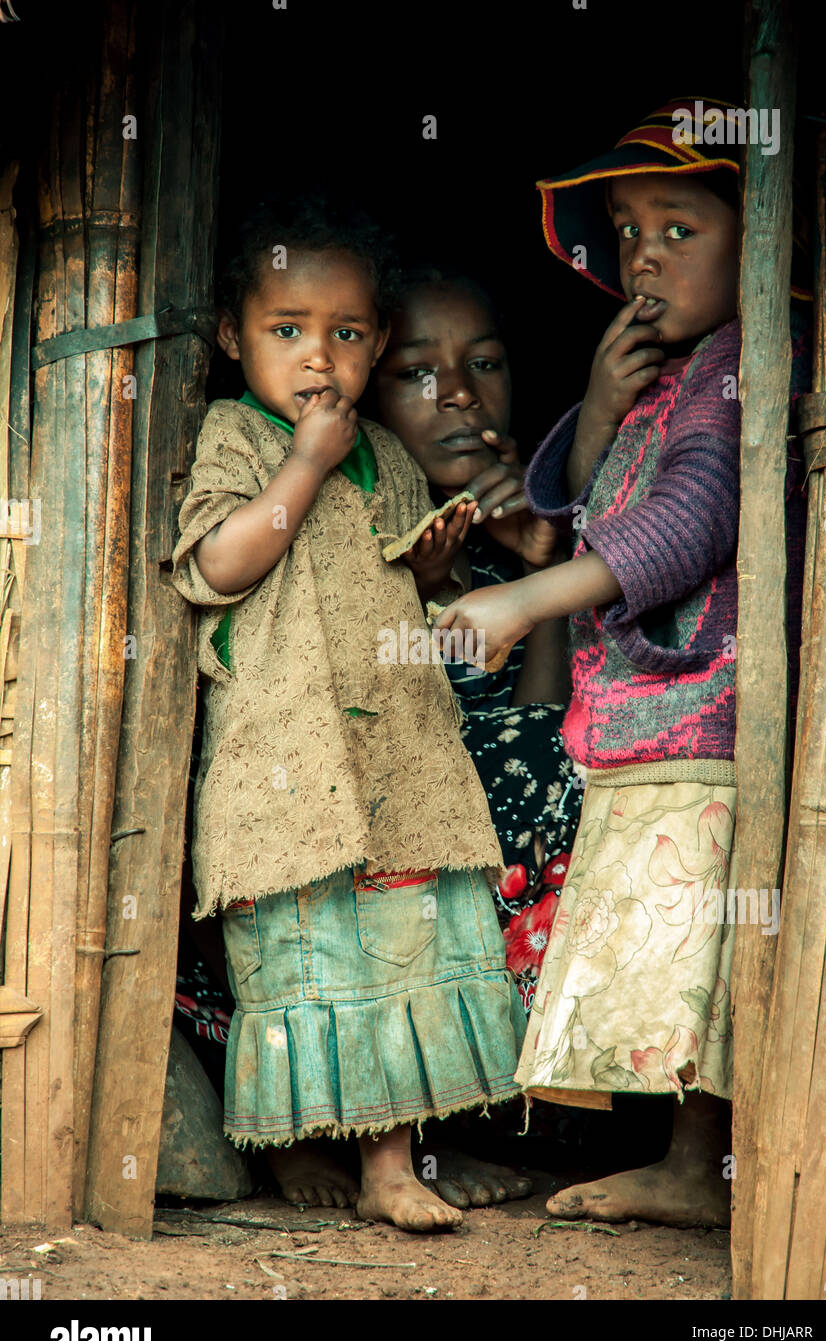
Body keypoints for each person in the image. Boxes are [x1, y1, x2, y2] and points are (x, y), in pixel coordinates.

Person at [435, 100, 810, 1227]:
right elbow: (578, 500)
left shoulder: (749, 362)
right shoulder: (669, 372)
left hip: (712, 713)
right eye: (626, 226)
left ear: (767, 239)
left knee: (702, 949)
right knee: (686, 956)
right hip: (655, 719)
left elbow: (688, 524)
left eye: (678, 226)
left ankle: (710, 1167)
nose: (642, 251)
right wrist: (597, 407)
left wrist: (525, 595)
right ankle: (695, 1165)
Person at [171, 195, 526, 1233]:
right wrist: (305, 460)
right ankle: (331, 1159)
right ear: (234, 337)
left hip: (393, 757)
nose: (317, 356)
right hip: (290, 766)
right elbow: (218, 565)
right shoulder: (233, 434)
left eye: (346, 333)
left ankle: (398, 1148)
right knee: (309, 961)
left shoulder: (385, 448)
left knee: (399, 953)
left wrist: (434, 565)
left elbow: (392, 583)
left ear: (375, 344)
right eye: (286, 331)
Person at [372, 268, 585, 1204]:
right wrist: (420, 594)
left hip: (482, 862)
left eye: (484, 362)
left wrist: (539, 569)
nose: (458, 391)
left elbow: (540, 747)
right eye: (418, 370)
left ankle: (497, 1107)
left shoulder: (518, 538)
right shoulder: (350, 529)